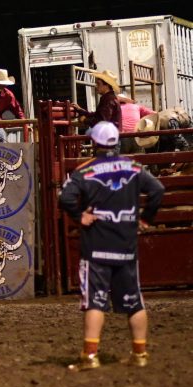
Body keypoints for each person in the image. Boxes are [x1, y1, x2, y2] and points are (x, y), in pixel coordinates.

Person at [59, 121, 164, 371]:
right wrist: (147, 218)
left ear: (94, 143)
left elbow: (65, 197)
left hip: (96, 245)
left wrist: (79, 216)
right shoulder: (134, 167)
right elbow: (158, 190)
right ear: (116, 142)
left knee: (94, 302)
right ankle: (139, 353)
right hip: (125, 244)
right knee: (134, 301)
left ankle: (90, 356)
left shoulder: (85, 170)